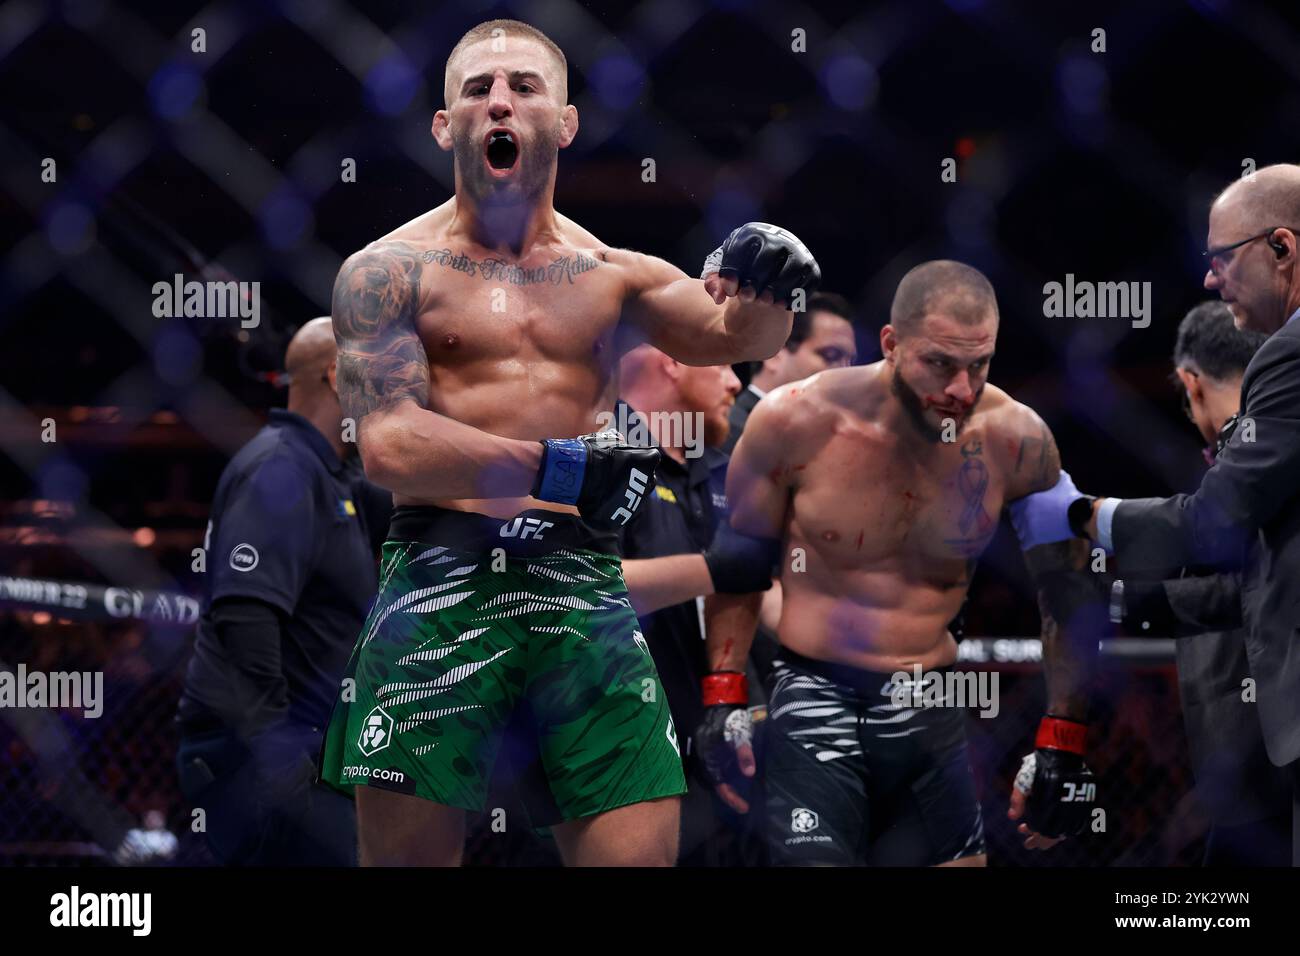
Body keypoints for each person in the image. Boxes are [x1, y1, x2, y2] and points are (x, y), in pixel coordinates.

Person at [317, 18, 820, 866]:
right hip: (440, 573)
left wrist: (777, 280)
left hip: (579, 580)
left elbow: (733, 333)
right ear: (446, 126)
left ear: (566, 121)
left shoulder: (614, 275)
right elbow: (390, 445)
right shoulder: (385, 271)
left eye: (523, 86)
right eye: (477, 90)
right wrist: (558, 464)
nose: (499, 103)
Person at [699, 260, 1102, 866]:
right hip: (815, 694)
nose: (962, 389)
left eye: (980, 364)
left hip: (930, 701)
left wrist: (1063, 739)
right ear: (891, 344)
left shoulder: (1017, 440)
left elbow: (1066, 589)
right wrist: (723, 699)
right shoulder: (792, 420)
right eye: (940, 363)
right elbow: (740, 567)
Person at [1026, 165, 1300, 865]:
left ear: (1281, 248)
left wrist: (1085, 514)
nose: (1210, 279)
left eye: (1220, 258)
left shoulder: (1288, 358)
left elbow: (1218, 524)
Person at [176, 317, 386, 865]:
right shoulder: (282, 469)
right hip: (264, 761)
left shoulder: (334, 475)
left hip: (312, 756)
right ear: (339, 375)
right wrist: (281, 762)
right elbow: (245, 614)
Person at [1111, 301, 1289, 865]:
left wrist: (1128, 601)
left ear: (1191, 383)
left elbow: (1255, 584)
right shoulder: (1264, 440)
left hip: (1264, 750)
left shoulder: (1254, 452)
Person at [721, 291, 858, 455]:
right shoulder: (725, 434)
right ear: (774, 354)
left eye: (850, 363)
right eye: (831, 356)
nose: (845, 373)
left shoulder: (821, 444)